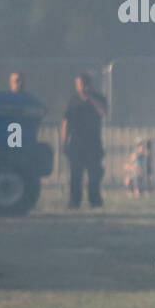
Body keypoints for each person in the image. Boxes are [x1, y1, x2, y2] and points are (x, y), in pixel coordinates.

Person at [61, 73, 107, 209]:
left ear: (89, 84)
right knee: (75, 175)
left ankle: (95, 201)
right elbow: (65, 122)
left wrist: (90, 98)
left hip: (93, 143)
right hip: (76, 143)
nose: (81, 87)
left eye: (83, 84)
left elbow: (103, 112)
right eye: (78, 84)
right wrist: (64, 142)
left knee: (94, 175)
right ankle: (74, 201)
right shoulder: (72, 101)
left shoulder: (99, 98)